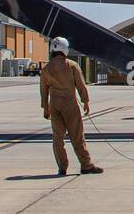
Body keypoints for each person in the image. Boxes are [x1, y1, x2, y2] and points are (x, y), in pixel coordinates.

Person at [40, 37, 103, 175]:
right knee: (77, 136)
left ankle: (62, 167)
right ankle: (86, 165)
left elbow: (43, 89)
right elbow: (80, 85)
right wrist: (85, 101)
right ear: (65, 49)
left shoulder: (46, 68)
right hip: (70, 104)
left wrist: (45, 107)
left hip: (55, 105)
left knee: (58, 138)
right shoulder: (72, 65)